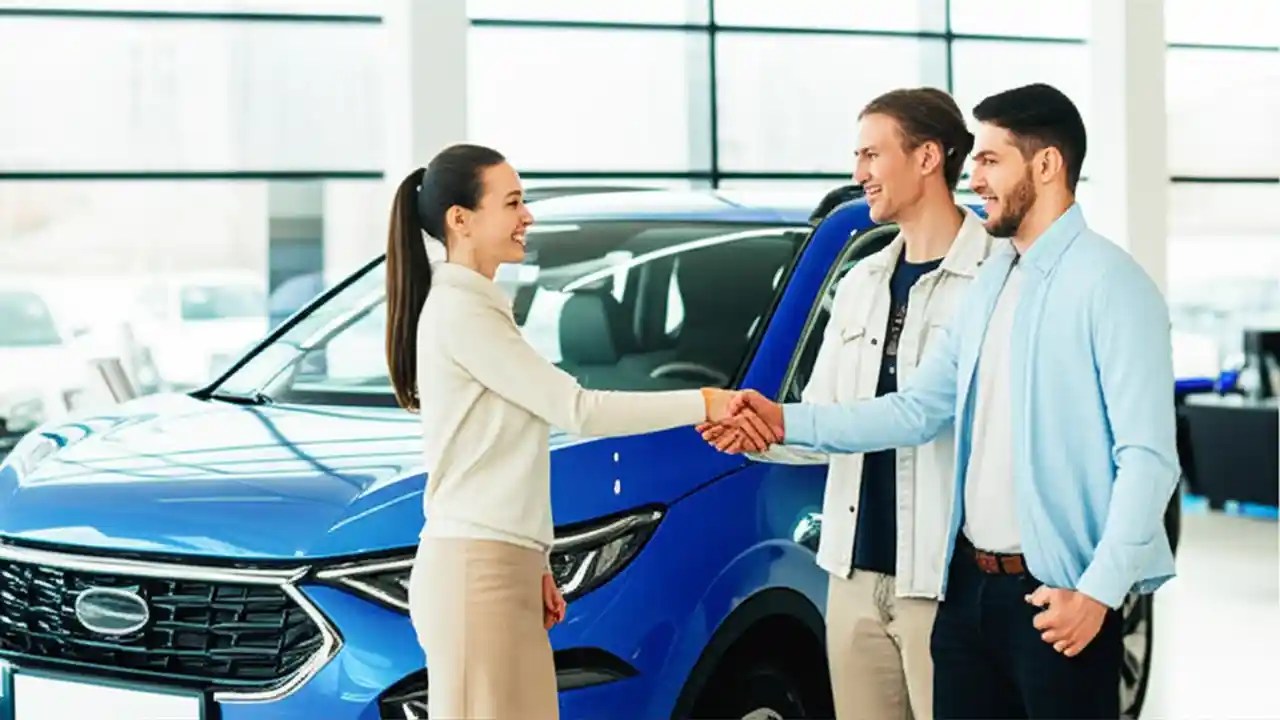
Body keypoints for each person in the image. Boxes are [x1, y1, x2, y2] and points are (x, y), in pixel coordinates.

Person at [712, 83, 1180, 719]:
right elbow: (915, 410)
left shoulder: (1113, 285)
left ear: (1046, 165)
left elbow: (1148, 459)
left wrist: (1097, 593)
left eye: (990, 160)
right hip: (967, 593)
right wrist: (781, 420)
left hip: (1056, 596)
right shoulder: (994, 281)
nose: (975, 178)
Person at [384, 143, 770, 720]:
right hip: (476, 576)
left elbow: (502, 450)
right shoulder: (462, 311)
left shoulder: (474, 306)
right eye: (512, 202)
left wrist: (534, 559)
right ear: (460, 220)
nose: (527, 216)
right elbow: (578, 410)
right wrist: (707, 403)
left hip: (498, 569)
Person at [703, 87, 994, 720]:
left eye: (871, 154)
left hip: (946, 580)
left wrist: (784, 420)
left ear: (927, 157)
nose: (859, 172)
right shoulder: (862, 282)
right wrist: (759, 433)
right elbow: (825, 418)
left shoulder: (995, 277)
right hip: (853, 577)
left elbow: (921, 415)